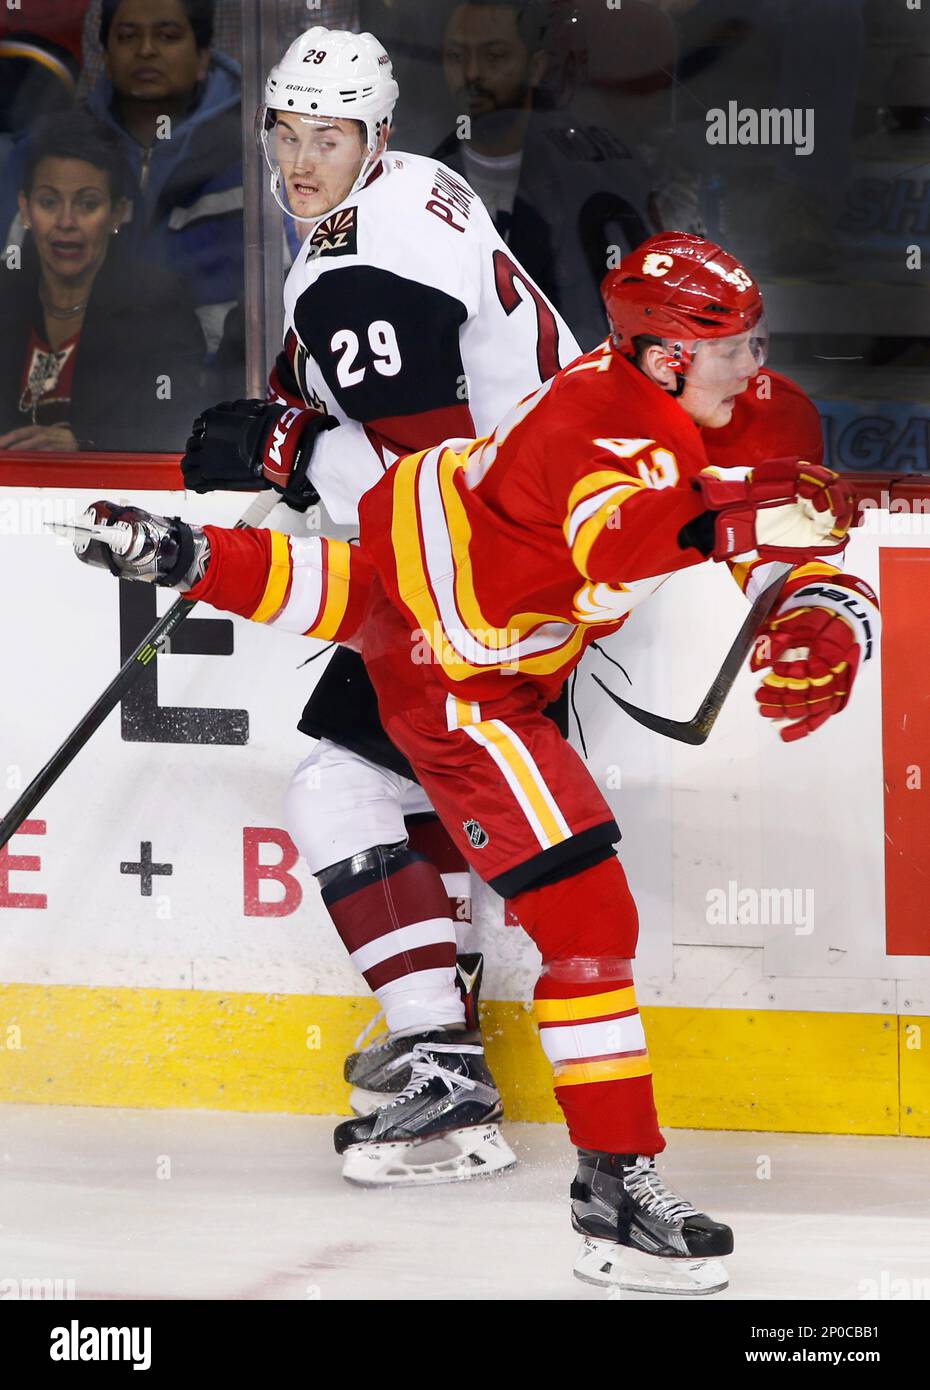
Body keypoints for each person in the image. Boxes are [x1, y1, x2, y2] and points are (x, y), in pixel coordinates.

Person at [68, 232, 880, 1292]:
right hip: (461, 680)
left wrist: (822, 615)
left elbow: (794, 548)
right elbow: (626, 541)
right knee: (584, 912)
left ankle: (179, 552)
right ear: (662, 357)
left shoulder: (743, 404)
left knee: (359, 608)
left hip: (447, 587)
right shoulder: (592, 423)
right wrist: (737, 516)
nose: (753, 362)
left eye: (754, 336)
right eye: (724, 344)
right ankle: (614, 1187)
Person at [181, 25, 582, 1175]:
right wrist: (294, 440)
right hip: (532, 554)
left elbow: (426, 488)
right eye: (288, 135)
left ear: (378, 137)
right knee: (401, 775)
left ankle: (444, 1074)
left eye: (331, 137)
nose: (303, 162)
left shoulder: (362, 264)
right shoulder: (421, 191)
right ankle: (439, 1036)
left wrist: (290, 455)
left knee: (337, 782)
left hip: (490, 567)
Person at [433, 0, 664, 349]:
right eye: (456, 56)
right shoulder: (423, 178)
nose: (471, 74)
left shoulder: (594, 170)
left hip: (580, 381)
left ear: (536, 66)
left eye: (494, 56)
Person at [0, 110, 205, 452]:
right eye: (49, 202)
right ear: (25, 207)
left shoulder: (159, 306)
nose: (66, 222)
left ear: (116, 214)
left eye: (87, 204)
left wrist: (84, 444)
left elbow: (177, 427)